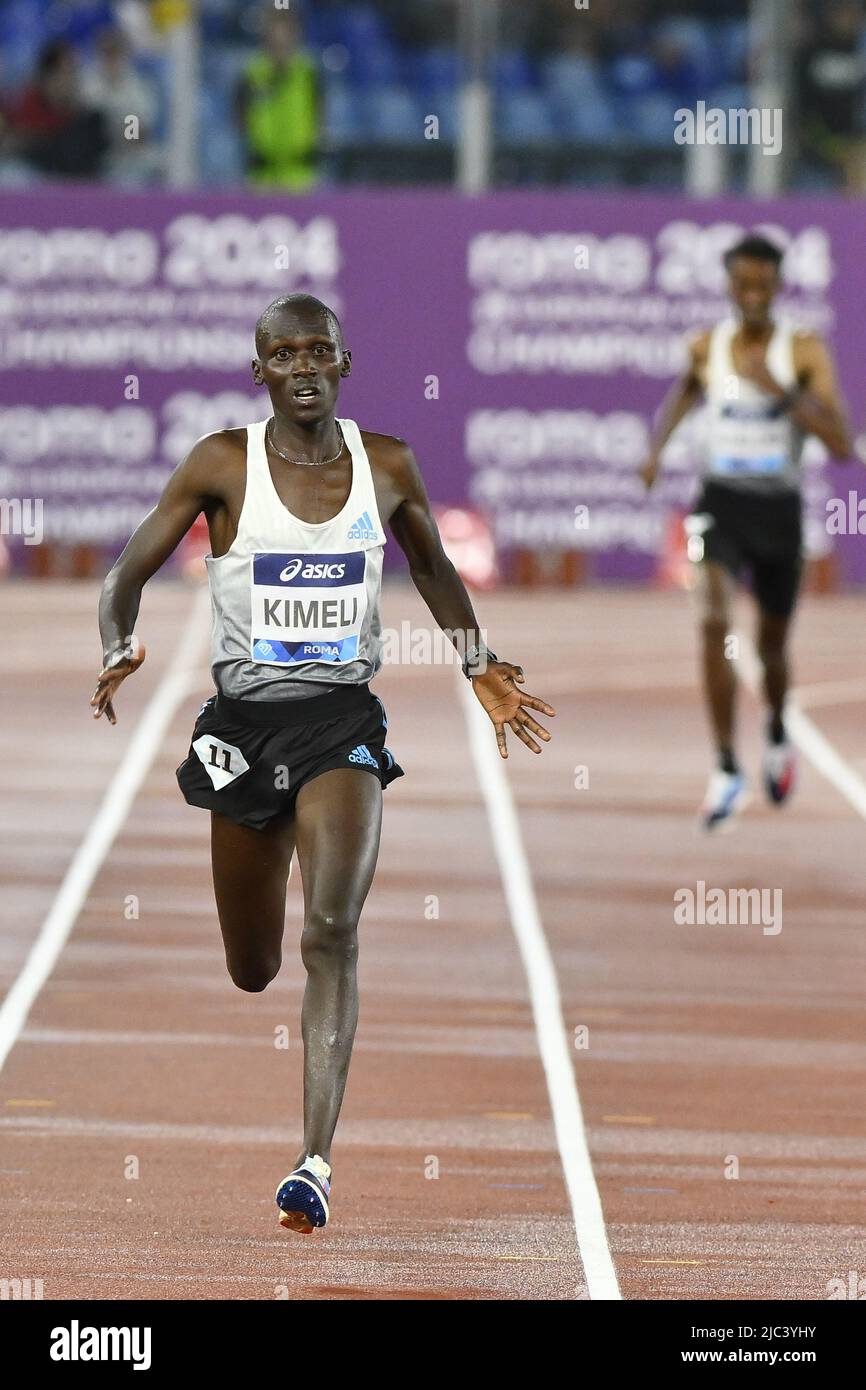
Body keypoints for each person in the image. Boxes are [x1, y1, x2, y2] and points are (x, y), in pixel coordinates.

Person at [91, 293, 555, 1232]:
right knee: (255, 967)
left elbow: (431, 565)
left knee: (332, 930)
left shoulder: (386, 465)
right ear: (258, 369)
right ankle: (275, 1008)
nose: (305, 367)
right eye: (285, 353)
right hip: (240, 733)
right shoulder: (222, 464)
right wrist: (117, 644)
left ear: (347, 364)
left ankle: (314, 1162)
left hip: (342, 724)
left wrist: (478, 662)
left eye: (321, 352)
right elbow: (125, 574)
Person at [639, 234, 853, 830]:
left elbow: (839, 443)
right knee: (711, 620)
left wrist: (777, 389)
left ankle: (778, 731)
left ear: (779, 286)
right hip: (720, 504)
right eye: (743, 284)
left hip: (778, 510)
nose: (753, 294)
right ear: (730, 286)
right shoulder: (709, 345)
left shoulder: (803, 350)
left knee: (772, 648)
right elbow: (684, 390)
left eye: (764, 284)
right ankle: (727, 765)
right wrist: (656, 451)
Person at [236, 8, 320, 191]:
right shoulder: (251, 74)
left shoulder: (308, 73)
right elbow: (240, 119)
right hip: (261, 175)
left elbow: (319, 117)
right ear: (265, 38)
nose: (280, 43)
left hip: (300, 175)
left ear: (294, 37)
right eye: (274, 37)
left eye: (285, 36)